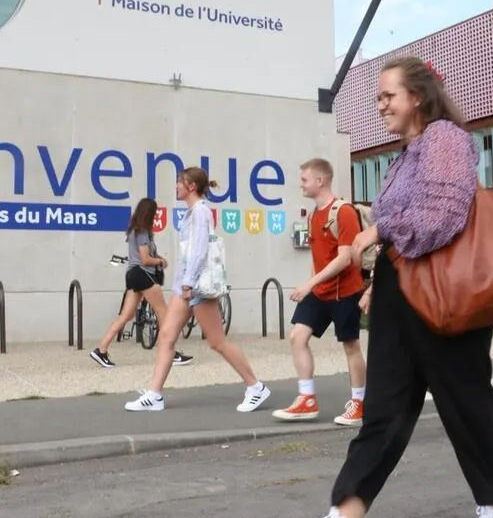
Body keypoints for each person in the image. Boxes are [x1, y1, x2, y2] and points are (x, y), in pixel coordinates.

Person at [276, 56, 493, 518]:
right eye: (378, 97)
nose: (380, 105)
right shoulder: (408, 152)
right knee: (383, 409)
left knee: (464, 402)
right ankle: (344, 517)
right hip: (401, 293)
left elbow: (442, 215)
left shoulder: (446, 138)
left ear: (418, 97)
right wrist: (377, 284)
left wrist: (377, 231)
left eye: (388, 95)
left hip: (444, 293)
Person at [124, 168, 271, 413]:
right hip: (186, 286)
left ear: (191, 186)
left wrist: (188, 283)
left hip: (195, 287)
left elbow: (200, 251)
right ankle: (154, 394)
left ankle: (256, 387)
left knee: (216, 341)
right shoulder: (192, 213)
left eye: (179, 183)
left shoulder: (201, 212)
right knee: (166, 336)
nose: (175, 187)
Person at [273, 158, 368, 427]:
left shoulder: (344, 212)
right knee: (297, 336)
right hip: (321, 290)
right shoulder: (314, 214)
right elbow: (320, 258)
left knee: (350, 346)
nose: (300, 184)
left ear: (320, 181)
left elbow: (344, 258)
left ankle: (358, 404)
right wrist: (311, 285)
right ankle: (307, 399)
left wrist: (308, 284)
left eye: (304, 179)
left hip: (345, 292)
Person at [89, 198, 193, 368]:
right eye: (154, 213)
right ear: (149, 213)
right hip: (143, 274)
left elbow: (139, 257)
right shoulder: (143, 231)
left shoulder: (132, 231)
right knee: (164, 313)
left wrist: (158, 258)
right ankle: (169, 353)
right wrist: (160, 261)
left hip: (132, 274)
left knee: (126, 315)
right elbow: (145, 259)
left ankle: (101, 350)